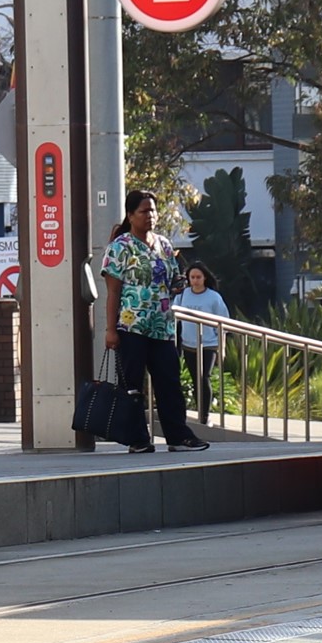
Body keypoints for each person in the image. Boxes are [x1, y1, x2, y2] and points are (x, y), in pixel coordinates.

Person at [101, 191, 208, 453]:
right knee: (132, 386)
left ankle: (177, 435)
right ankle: (138, 438)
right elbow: (113, 292)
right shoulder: (120, 247)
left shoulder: (164, 245)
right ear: (130, 215)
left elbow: (171, 281)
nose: (150, 216)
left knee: (169, 381)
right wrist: (111, 329)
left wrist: (178, 284)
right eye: (143, 211)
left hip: (161, 326)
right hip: (131, 326)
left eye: (152, 211)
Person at [173, 261, 229, 420]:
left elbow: (223, 322)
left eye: (198, 277)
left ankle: (204, 415)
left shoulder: (213, 297)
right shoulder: (182, 295)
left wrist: (221, 346)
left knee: (204, 377)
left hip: (209, 344)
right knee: (195, 378)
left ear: (204, 278)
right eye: (192, 277)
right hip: (188, 344)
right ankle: (199, 411)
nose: (195, 280)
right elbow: (174, 316)